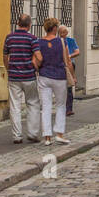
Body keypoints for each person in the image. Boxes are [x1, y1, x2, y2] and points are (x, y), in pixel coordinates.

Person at [34, 17, 72, 145]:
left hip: (44, 76)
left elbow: (36, 60)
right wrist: (72, 75)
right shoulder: (62, 42)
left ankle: (47, 137)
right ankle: (59, 134)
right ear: (55, 28)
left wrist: (38, 68)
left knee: (46, 106)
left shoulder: (38, 42)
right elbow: (67, 61)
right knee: (61, 105)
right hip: (59, 77)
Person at [4, 14, 41, 144]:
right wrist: (37, 67)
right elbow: (39, 56)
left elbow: (5, 56)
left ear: (18, 23)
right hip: (29, 76)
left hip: (14, 76)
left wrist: (9, 69)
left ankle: (17, 136)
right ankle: (33, 133)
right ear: (29, 25)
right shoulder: (32, 39)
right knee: (33, 104)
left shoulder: (9, 38)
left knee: (15, 106)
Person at [59, 24, 80, 117]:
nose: (62, 34)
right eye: (61, 32)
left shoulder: (71, 41)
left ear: (67, 32)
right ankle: (62, 108)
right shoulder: (57, 41)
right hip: (60, 66)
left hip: (70, 65)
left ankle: (69, 109)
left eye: (64, 32)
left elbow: (77, 52)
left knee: (69, 88)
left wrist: (69, 56)